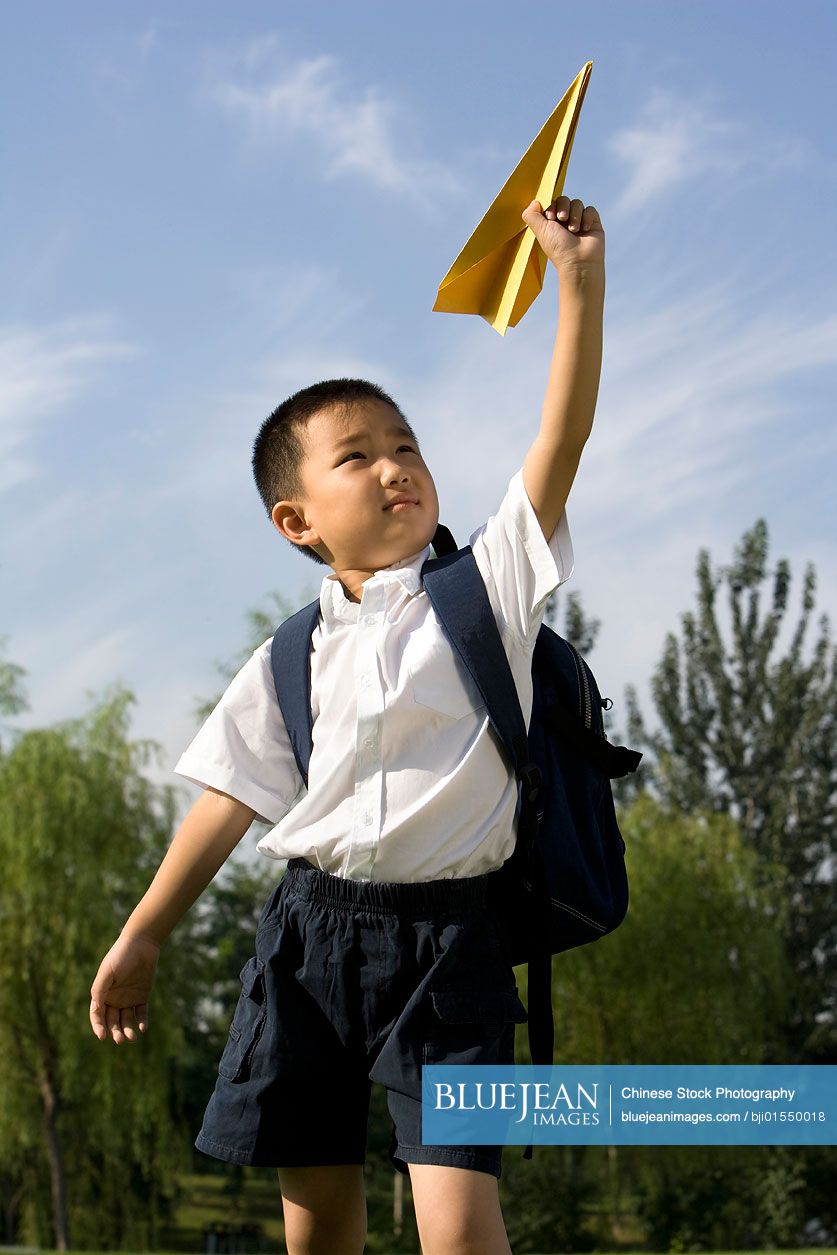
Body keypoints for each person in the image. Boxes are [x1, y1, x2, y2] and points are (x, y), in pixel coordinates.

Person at [89, 193, 605, 1255]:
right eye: (357, 454)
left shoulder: (489, 590)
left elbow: (560, 438)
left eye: (405, 444)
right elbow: (226, 804)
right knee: (318, 1228)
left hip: (453, 948)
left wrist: (579, 284)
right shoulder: (290, 653)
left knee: (459, 1227)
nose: (394, 465)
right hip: (308, 938)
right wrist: (143, 934)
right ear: (298, 520)